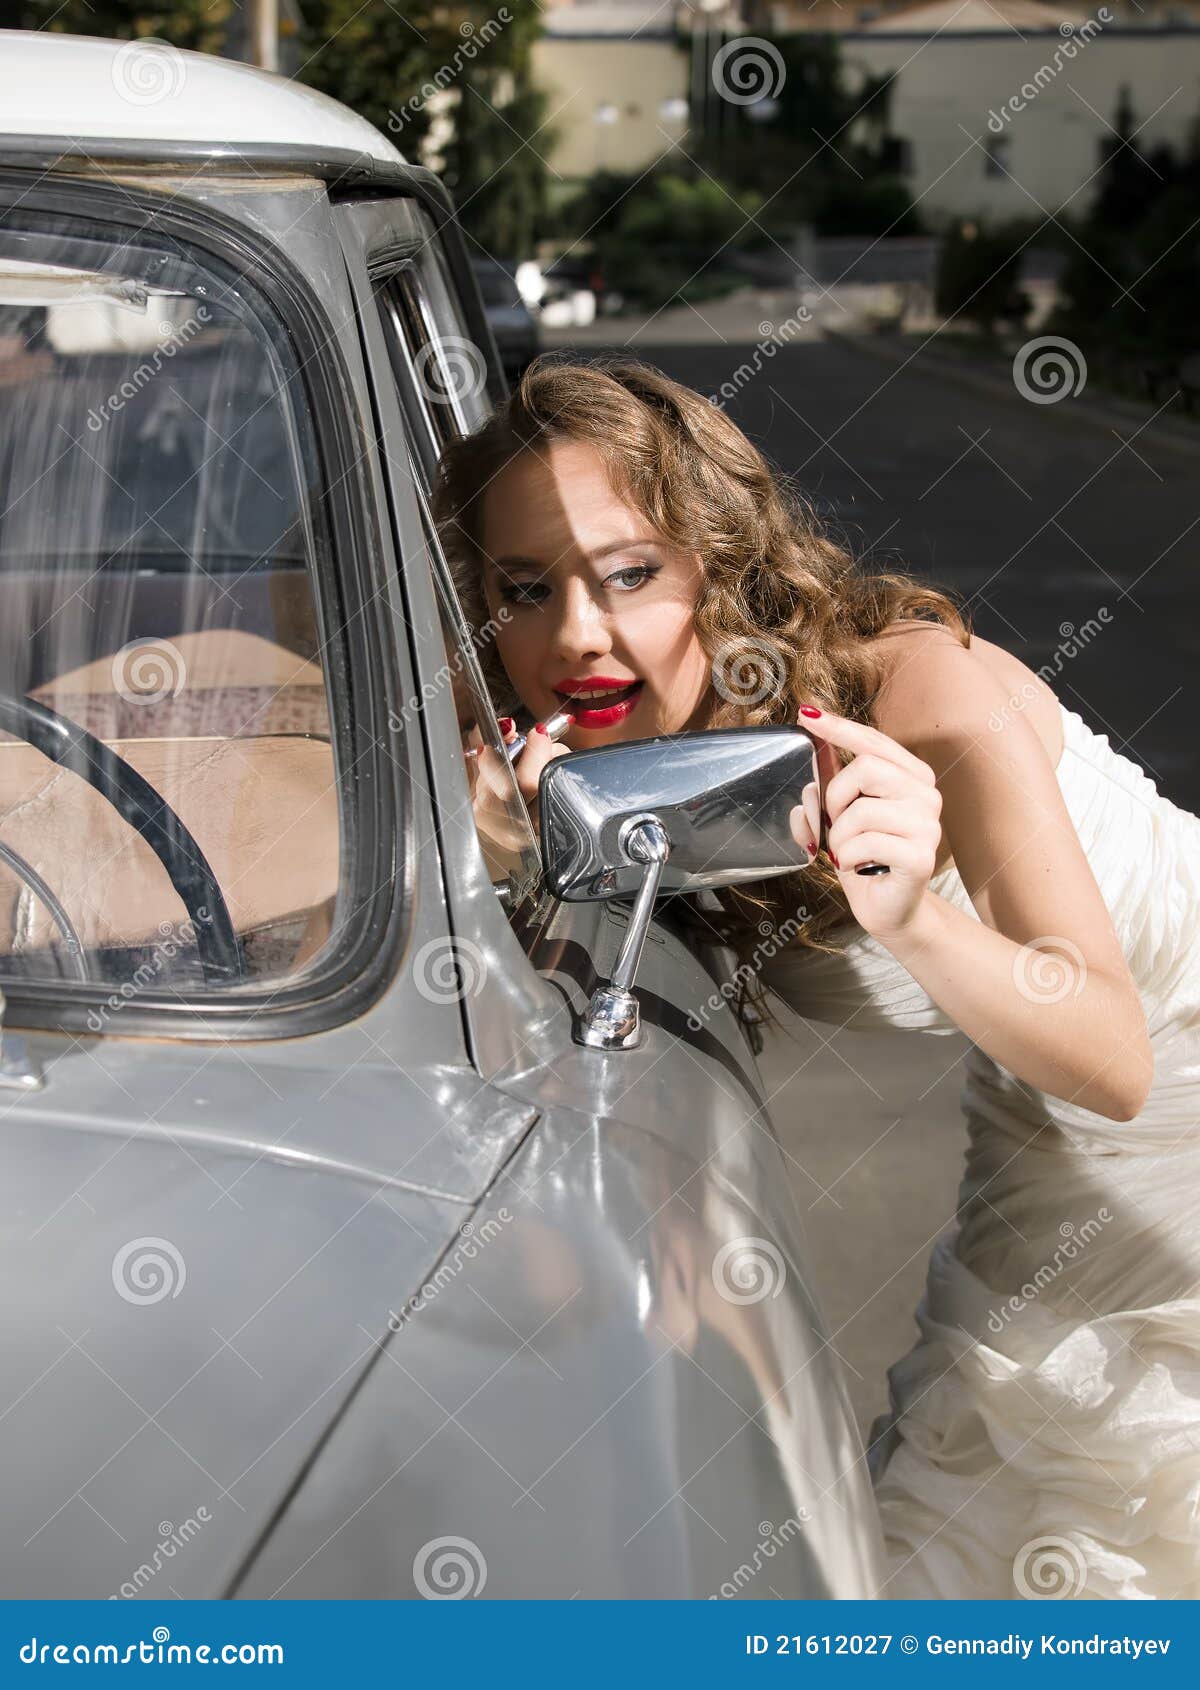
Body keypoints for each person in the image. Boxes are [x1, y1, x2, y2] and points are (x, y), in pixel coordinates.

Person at [431, 355, 1200, 1600]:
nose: (577, 633)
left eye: (630, 574)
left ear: (719, 566)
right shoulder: (568, 745)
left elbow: (1115, 1056)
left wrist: (910, 917)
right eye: (528, 589)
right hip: (1033, 1127)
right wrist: (508, 859)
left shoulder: (917, 694)